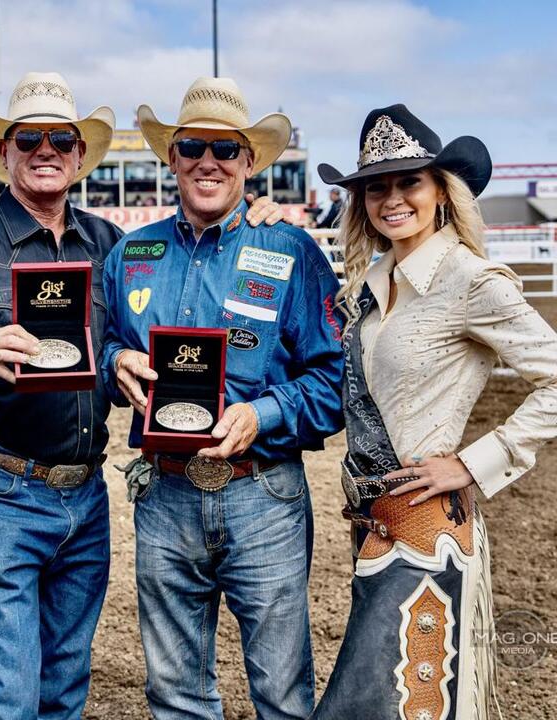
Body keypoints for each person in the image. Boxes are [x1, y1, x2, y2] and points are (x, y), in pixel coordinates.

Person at [0, 71, 280, 720]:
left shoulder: (115, 248)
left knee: (65, 686)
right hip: (2, 489)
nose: (46, 149)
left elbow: (166, 309)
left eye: (61, 138)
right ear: (6, 152)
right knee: (8, 697)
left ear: (78, 154)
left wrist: (254, 219)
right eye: (30, 138)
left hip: (86, 491)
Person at [102, 77, 345, 720]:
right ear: (172, 156)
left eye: (226, 149)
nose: (208, 161)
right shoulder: (130, 254)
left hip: (262, 491)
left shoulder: (292, 251)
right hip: (165, 493)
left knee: (283, 692)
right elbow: (86, 349)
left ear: (250, 162)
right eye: (192, 147)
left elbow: (333, 383)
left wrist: (260, 413)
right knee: (176, 694)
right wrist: (111, 361)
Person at [312, 104, 557, 719]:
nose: (391, 198)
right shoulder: (373, 280)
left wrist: (474, 463)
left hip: (429, 530)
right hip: (375, 526)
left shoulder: (471, 280)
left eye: (409, 182)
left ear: (442, 193)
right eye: (376, 187)